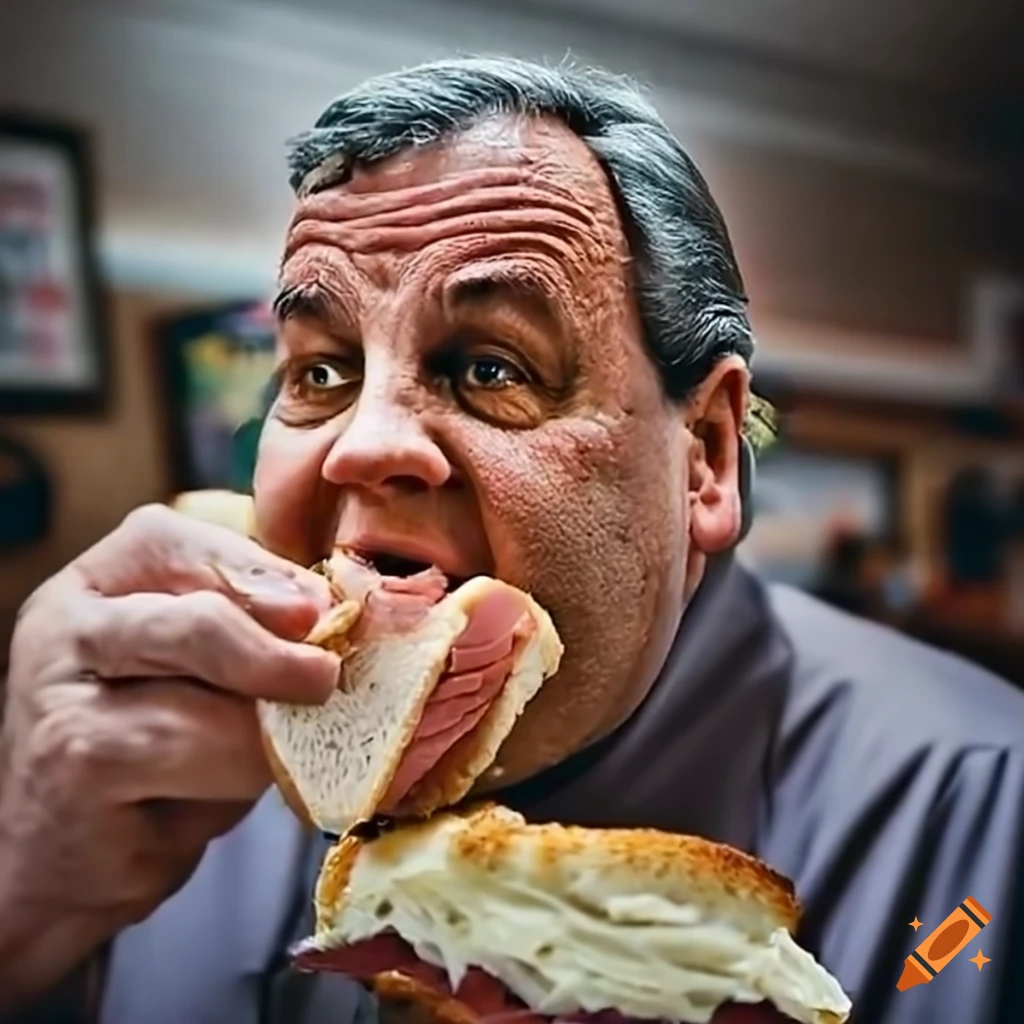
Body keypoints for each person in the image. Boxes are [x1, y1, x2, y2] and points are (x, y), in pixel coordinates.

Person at [1, 57, 1022, 1024]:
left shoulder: (978, 807)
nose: (364, 446)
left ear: (704, 453)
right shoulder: (150, 763)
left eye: (490, 367)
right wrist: (27, 914)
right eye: (319, 372)